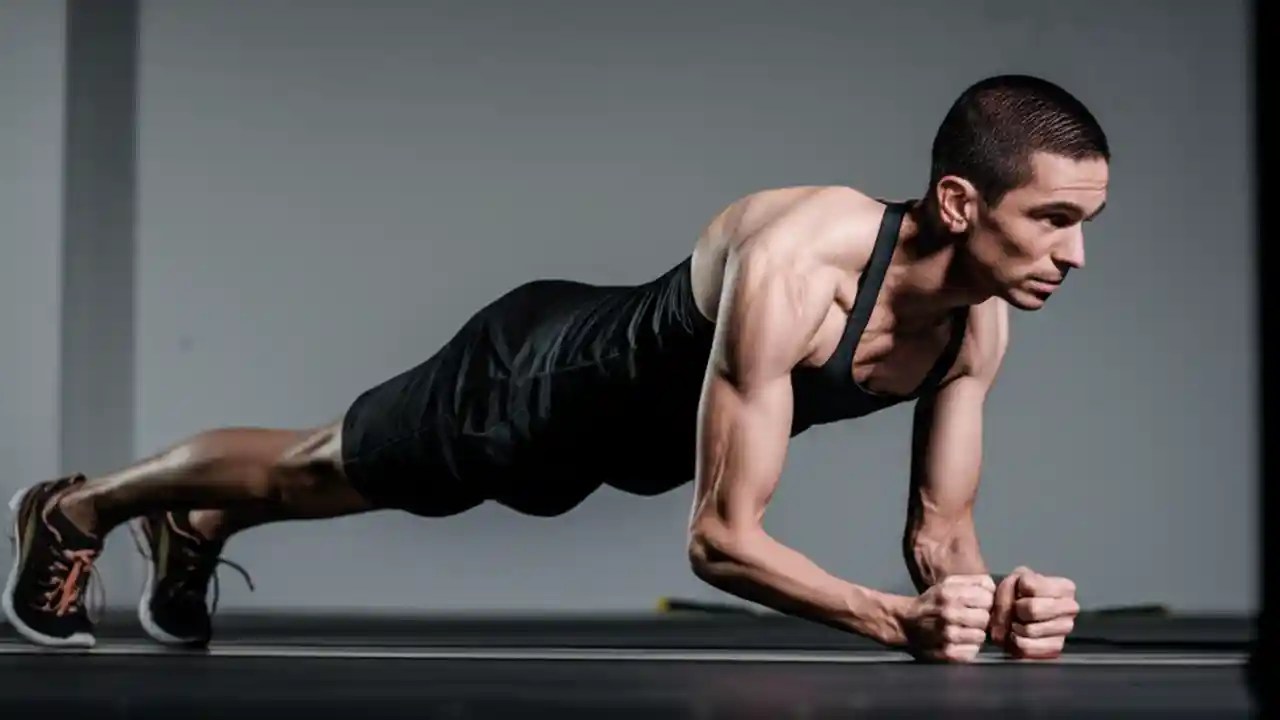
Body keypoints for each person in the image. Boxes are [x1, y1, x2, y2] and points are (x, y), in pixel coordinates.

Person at [4, 73, 1107, 662]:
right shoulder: (800, 257)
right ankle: (83, 507)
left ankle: (195, 529)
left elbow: (939, 541)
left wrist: (990, 611)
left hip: (608, 455)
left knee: (324, 482)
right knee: (315, 470)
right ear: (960, 202)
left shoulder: (975, 328)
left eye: (1085, 222)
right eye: (1053, 219)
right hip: (528, 385)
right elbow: (723, 539)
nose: (1074, 254)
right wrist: (889, 621)